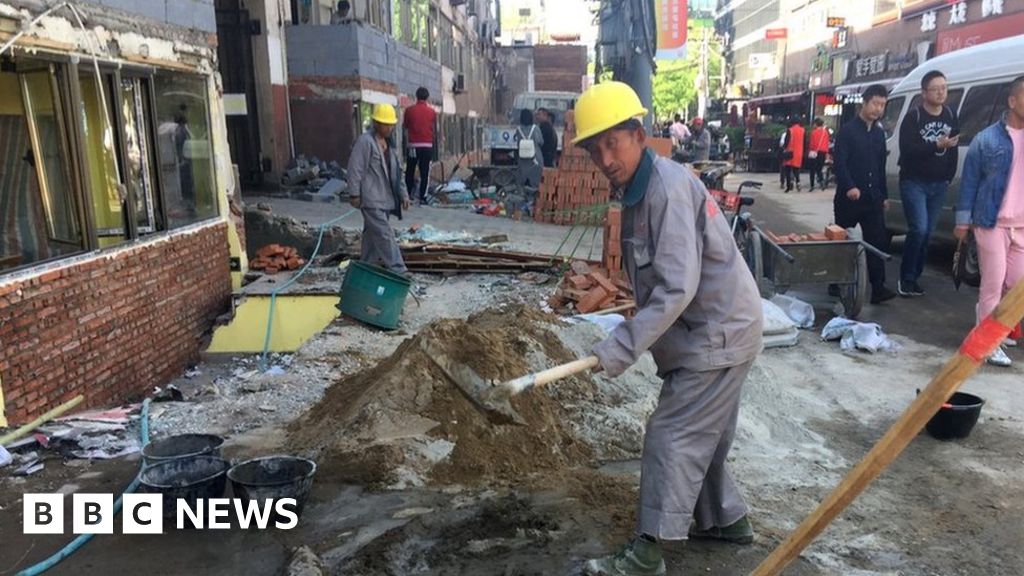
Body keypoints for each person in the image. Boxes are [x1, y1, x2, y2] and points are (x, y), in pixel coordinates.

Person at [573, 81, 763, 576]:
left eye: (612, 142)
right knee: (706, 434)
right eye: (595, 149)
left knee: (671, 434)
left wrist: (622, 346)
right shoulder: (641, 192)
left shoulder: (668, 190)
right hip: (717, 329)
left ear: (638, 135)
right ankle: (726, 521)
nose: (605, 158)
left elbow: (677, 288)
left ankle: (647, 552)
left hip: (716, 332)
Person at [955, 75, 1024, 367]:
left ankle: (997, 326)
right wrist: (963, 220)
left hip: (1021, 225)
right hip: (990, 222)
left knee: (1016, 283)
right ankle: (985, 343)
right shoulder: (987, 140)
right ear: (1012, 101)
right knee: (993, 284)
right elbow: (969, 182)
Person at [897, 70, 960, 298]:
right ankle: (907, 278)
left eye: (944, 87)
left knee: (928, 232)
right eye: (936, 88)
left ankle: (915, 277)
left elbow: (952, 147)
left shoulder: (951, 115)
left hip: (938, 184)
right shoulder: (914, 117)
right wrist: (936, 145)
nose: (942, 92)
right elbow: (908, 151)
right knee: (919, 229)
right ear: (924, 93)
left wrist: (948, 175)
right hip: (914, 182)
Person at [834, 84, 897, 304]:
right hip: (848, 199)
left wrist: (884, 195)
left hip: (872, 199)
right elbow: (840, 164)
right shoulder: (848, 131)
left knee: (876, 242)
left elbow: (880, 167)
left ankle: (878, 288)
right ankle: (836, 283)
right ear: (865, 102)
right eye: (875, 104)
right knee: (842, 242)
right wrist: (850, 186)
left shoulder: (879, 134)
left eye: (882, 105)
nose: (878, 109)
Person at [347, 103, 410, 275]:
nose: (389, 127)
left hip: (386, 199)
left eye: (391, 124)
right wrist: (354, 193)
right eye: (385, 124)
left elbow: (398, 172)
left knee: (371, 238)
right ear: (376, 123)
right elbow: (355, 168)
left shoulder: (390, 145)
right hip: (371, 199)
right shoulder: (365, 142)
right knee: (384, 234)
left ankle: (366, 268)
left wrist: (404, 194)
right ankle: (398, 269)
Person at [403, 87, 437, 204]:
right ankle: (423, 197)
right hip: (427, 146)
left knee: (410, 171)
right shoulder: (432, 112)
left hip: (413, 146)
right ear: (427, 98)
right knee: (425, 173)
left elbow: (406, 127)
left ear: (416, 96)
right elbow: (434, 130)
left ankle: (407, 195)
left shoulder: (409, 110)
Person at [515, 108, 545, 188]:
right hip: (535, 159)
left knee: (523, 182)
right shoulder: (535, 128)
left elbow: (518, 144)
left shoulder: (518, 130)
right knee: (536, 182)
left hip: (523, 159)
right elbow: (541, 141)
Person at [782, 117, 805, 193]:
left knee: (788, 170)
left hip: (790, 152)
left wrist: (784, 148)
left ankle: (788, 186)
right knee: (796, 169)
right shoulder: (803, 130)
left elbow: (786, 141)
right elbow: (804, 142)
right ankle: (798, 182)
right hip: (799, 152)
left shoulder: (790, 130)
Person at [808, 118, 830, 191]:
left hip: (814, 152)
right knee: (819, 168)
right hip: (823, 152)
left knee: (812, 169)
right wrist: (826, 153)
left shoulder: (814, 132)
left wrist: (810, 150)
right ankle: (821, 181)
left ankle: (812, 185)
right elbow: (827, 143)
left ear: (816, 124)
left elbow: (812, 143)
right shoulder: (825, 133)